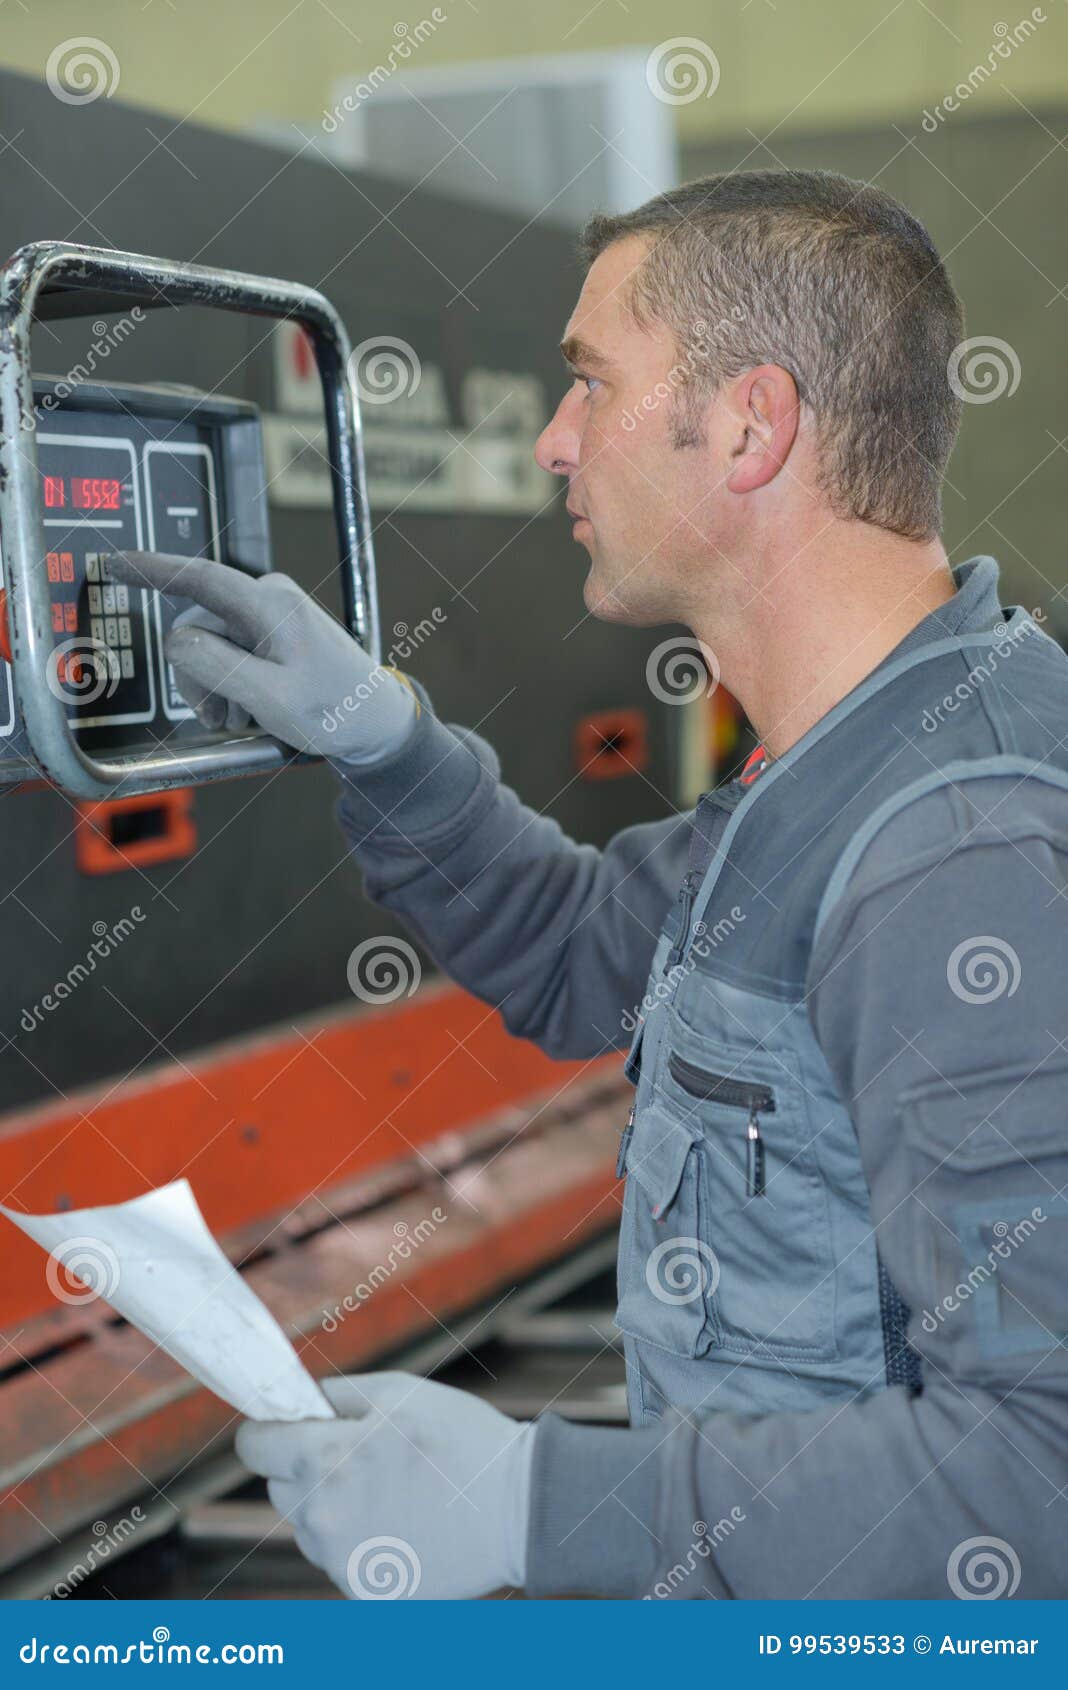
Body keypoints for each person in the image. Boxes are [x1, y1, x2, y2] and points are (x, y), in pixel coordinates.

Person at [110, 168, 1068, 1601]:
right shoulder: (841, 761)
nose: (555, 443)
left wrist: (537, 1502)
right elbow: (581, 952)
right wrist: (382, 739)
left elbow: (1035, 1479)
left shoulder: (956, 846)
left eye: (589, 386)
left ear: (751, 425)